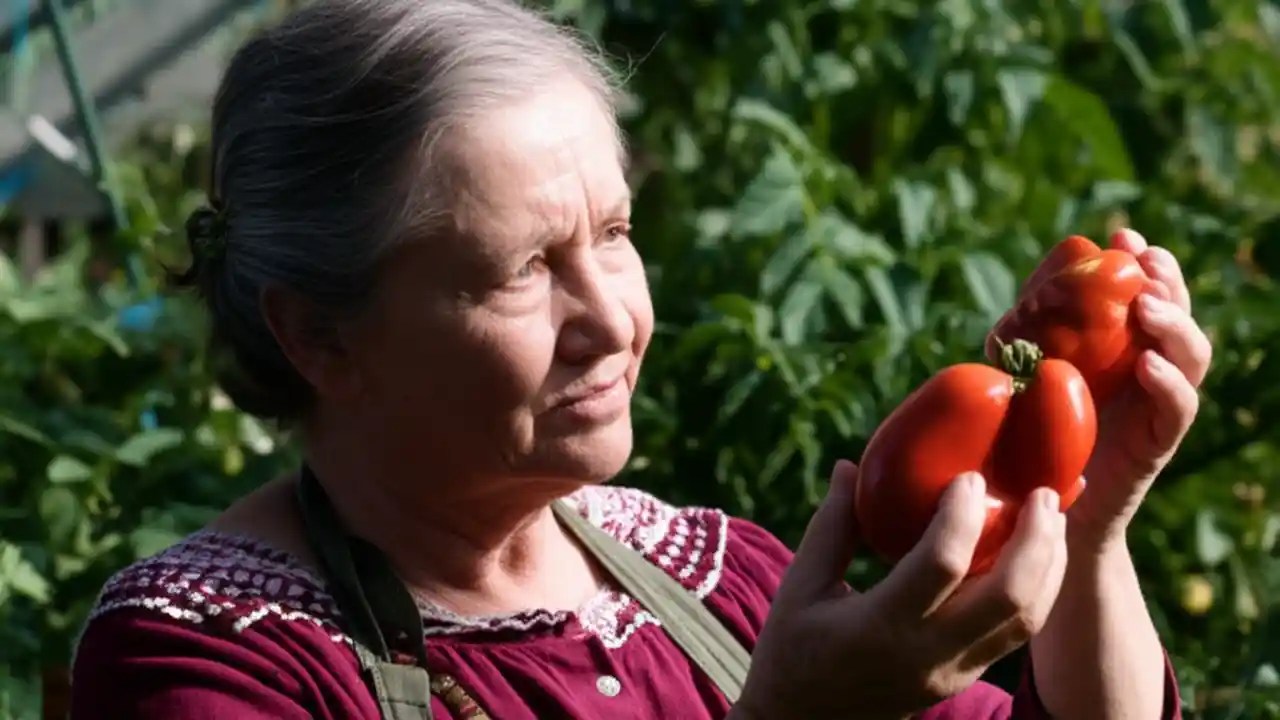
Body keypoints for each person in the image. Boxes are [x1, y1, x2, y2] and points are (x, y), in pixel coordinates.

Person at [69, 1, 1210, 718]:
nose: (611, 320)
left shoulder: (718, 580)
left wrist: (1088, 508)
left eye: (612, 237)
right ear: (318, 333)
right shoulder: (208, 661)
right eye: (522, 269)